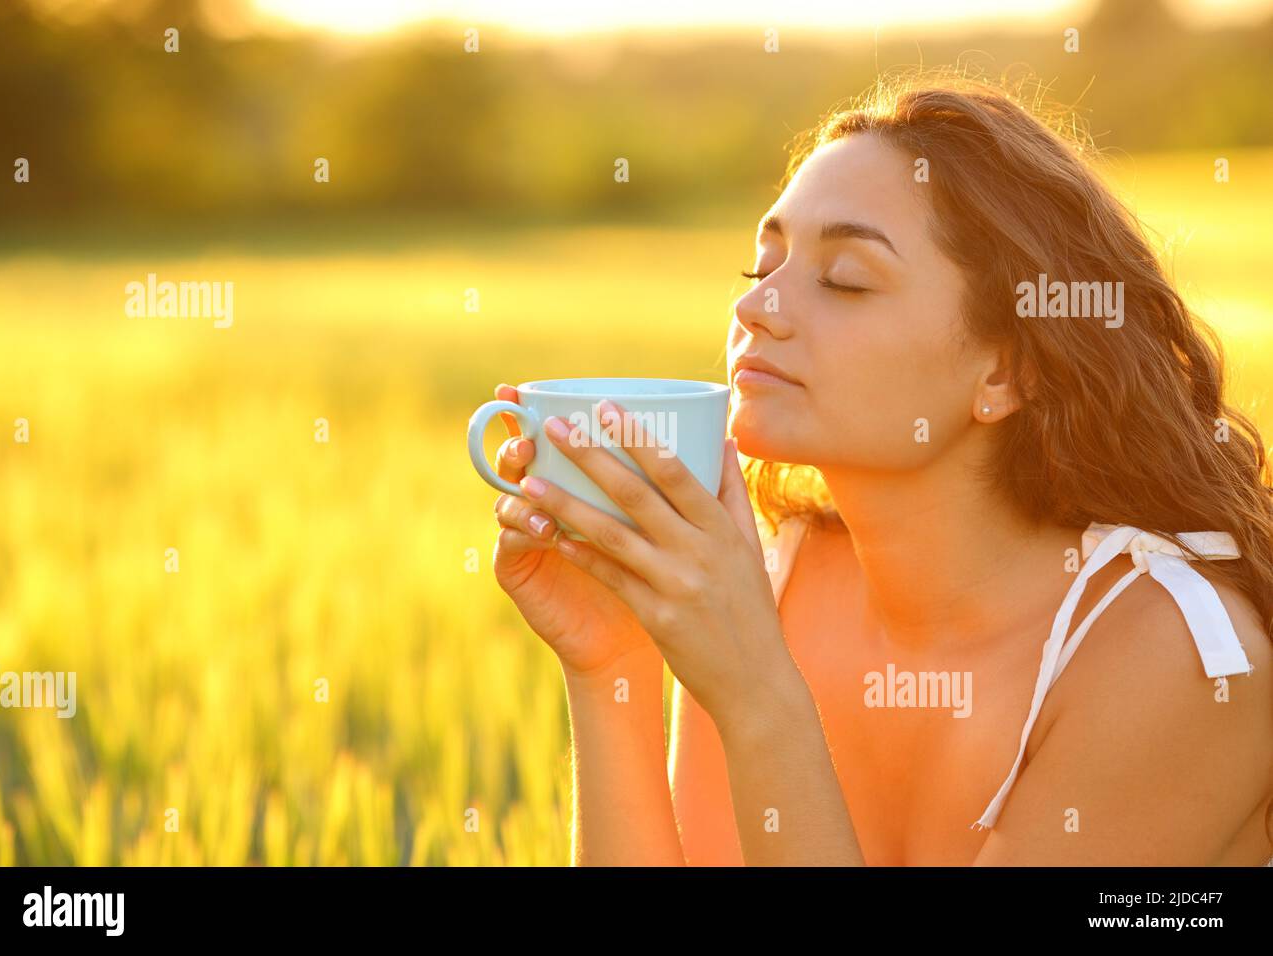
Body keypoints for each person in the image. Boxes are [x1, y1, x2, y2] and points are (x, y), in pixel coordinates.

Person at [483, 72, 1273, 866]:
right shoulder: (766, 586)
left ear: (1007, 373)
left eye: (844, 280)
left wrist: (760, 692)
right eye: (762, 268)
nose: (757, 309)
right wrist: (612, 662)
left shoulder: (1174, 656)